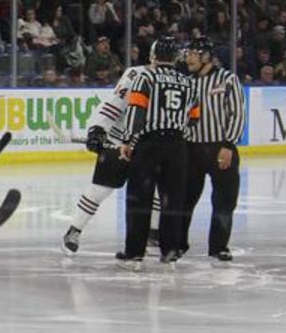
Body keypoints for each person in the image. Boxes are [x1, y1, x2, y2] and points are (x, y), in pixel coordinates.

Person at [117, 37, 201, 270]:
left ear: (153, 56)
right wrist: (178, 132)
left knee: (139, 199)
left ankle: (134, 255)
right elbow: (195, 117)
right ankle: (169, 256)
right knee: (172, 201)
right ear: (175, 57)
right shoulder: (188, 82)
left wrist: (127, 140)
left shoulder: (146, 77)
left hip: (149, 146)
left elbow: (136, 111)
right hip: (177, 147)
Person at [61, 63, 161, 255]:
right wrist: (98, 129)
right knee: (100, 190)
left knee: (157, 188)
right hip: (119, 139)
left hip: (149, 143)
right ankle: (74, 230)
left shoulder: (175, 78)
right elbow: (116, 103)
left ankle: (153, 235)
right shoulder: (136, 73)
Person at [178, 39, 245, 263]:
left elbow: (237, 113)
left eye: (193, 53)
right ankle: (178, 244)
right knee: (184, 199)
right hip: (191, 149)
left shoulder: (227, 79)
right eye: (187, 54)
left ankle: (219, 246)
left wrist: (229, 145)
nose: (188, 58)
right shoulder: (185, 81)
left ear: (206, 56)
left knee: (224, 201)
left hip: (220, 148)